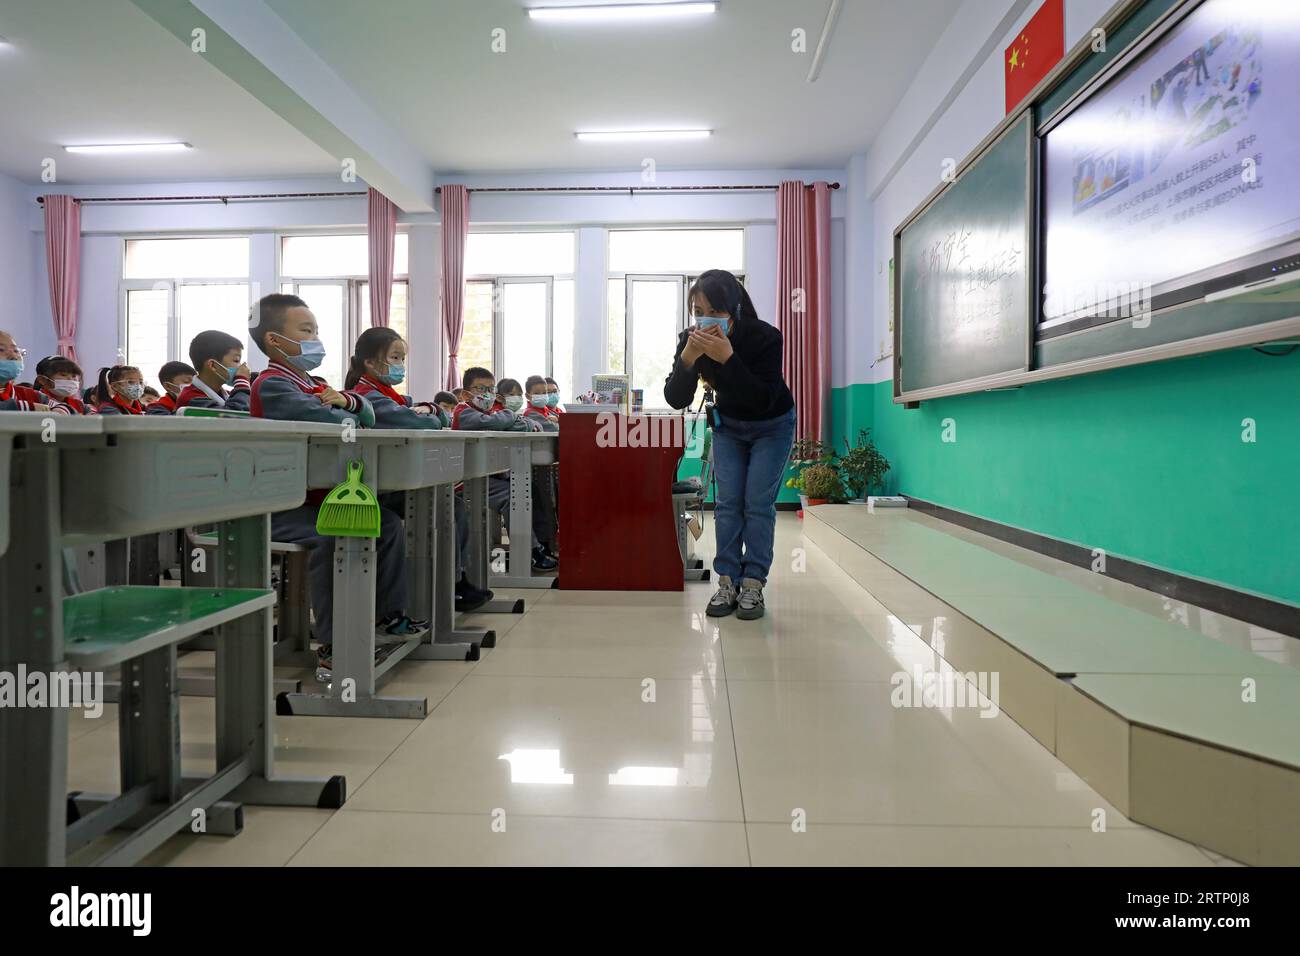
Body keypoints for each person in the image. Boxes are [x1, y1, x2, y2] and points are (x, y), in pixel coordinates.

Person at [247, 293, 423, 669]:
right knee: (335, 533)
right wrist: (347, 407)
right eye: (306, 331)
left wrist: (350, 404)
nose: (315, 339)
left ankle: (387, 618)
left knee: (388, 524)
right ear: (275, 341)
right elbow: (335, 420)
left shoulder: (312, 382)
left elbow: (368, 415)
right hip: (282, 503)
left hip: (313, 497)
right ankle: (334, 643)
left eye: (316, 331)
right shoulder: (272, 384)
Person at [663, 269, 795, 620]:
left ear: (733, 309)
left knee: (757, 504)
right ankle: (727, 581)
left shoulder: (765, 337)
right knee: (727, 504)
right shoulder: (689, 340)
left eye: (713, 310)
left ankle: (752, 584)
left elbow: (763, 398)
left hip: (772, 425)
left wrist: (729, 360)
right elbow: (676, 398)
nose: (703, 319)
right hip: (729, 427)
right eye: (696, 311)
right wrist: (687, 360)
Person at [452, 366, 557, 571]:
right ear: (466, 394)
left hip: (486, 476)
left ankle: (540, 545)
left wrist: (510, 420)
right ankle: (529, 552)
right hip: (465, 480)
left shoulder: (489, 412)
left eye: (491, 389)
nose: (487, 394)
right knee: (514, 494)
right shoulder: (464, 412)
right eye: (481, 389)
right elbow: (495, 422)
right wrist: (510, 417)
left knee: (528, 489)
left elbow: (520, 423)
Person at [175, 330, 252, 411]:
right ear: (213, 365)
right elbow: (232, 417)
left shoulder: (228, 395)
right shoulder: (191, 398)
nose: (241, 367)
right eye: (236, 360)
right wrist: (242, 382)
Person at [0, 332, 54, 412]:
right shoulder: (30, 404)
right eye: (1, 349)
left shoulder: (34, 396)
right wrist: (27, 407)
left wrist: (60, 409)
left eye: (16, 350)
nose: (13, 356)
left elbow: (63, 409)